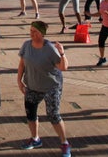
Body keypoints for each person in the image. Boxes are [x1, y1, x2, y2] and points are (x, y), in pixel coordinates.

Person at [16, 21, 71, 155]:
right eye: (30, 31)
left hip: (51, 86)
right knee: (30, 113)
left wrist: (62, 53)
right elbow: (22, 65)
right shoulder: (26, 45)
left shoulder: (49, 48)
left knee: (53, 115)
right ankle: (35, 139)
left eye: (35, 31)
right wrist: (19, 81)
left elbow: (63, 67)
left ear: (42, 33)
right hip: (32, 85)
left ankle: (64, 143)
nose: (32, 34)